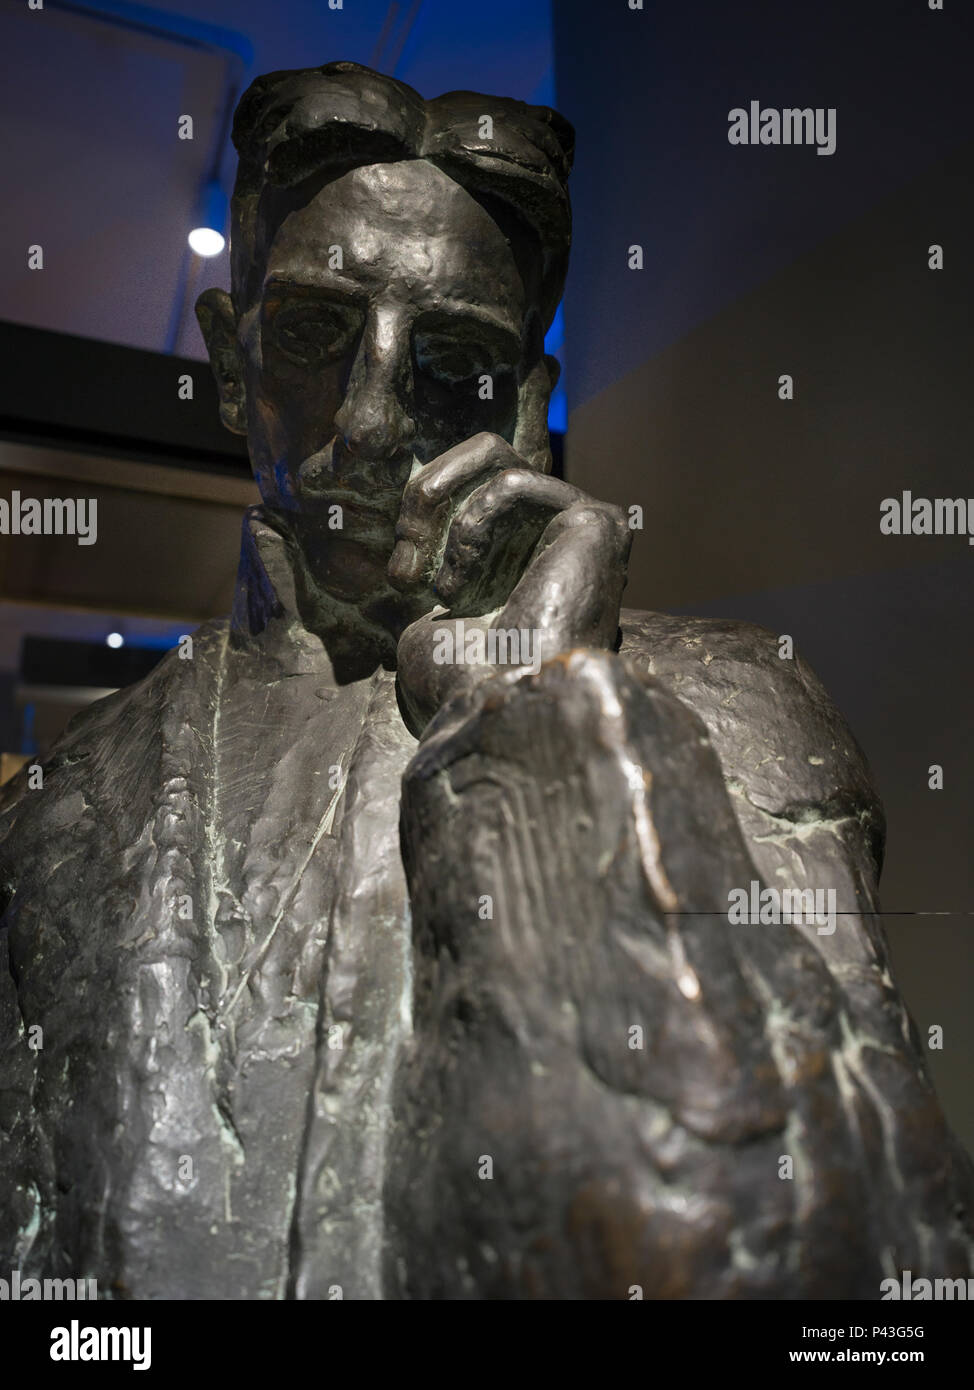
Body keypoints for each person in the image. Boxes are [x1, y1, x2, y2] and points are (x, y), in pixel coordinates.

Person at [1, 61, 970, 1300]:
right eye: (312, 332)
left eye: (448, 358)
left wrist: (539, 704)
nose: (367, 420)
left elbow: (847, 1262)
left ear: (523, 405)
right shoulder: (57, 819)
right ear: (230, 361)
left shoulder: (738, 716)